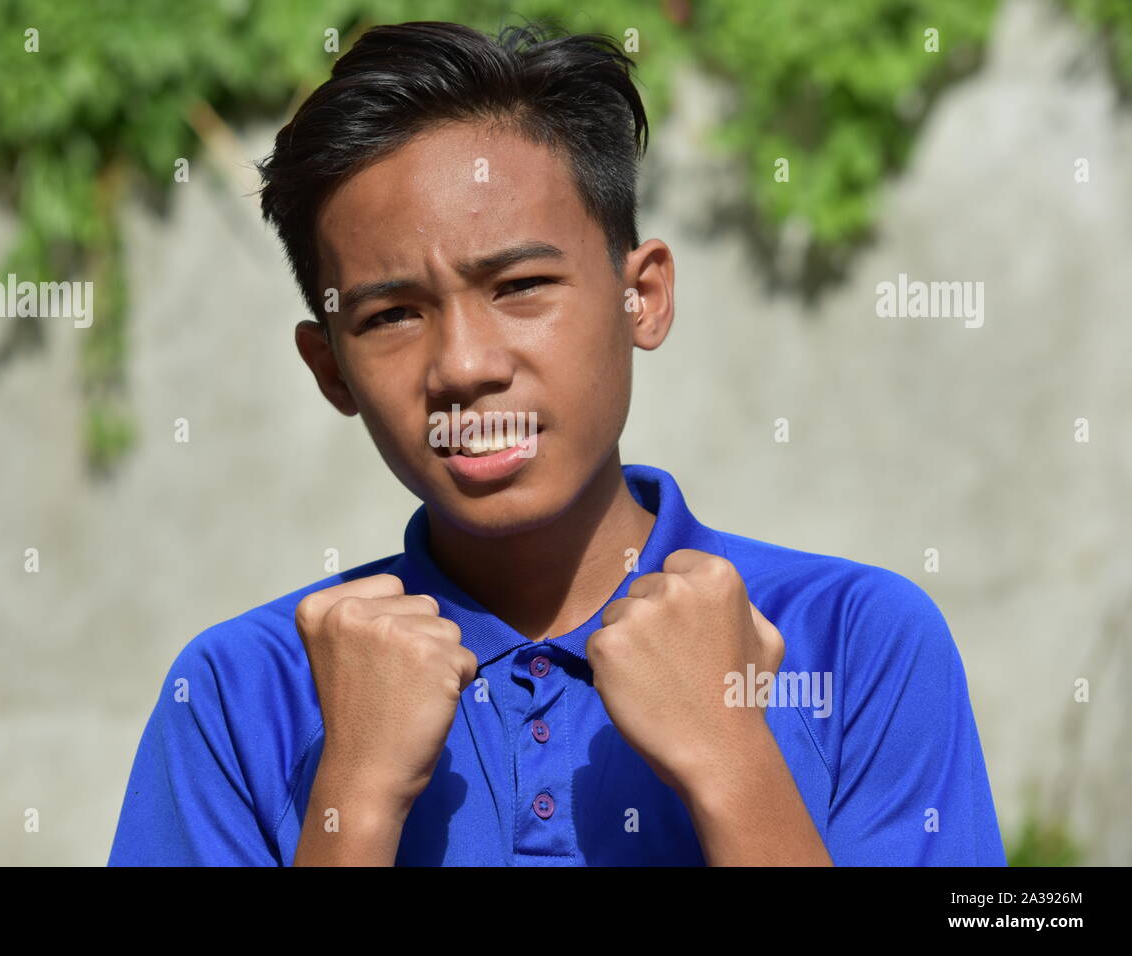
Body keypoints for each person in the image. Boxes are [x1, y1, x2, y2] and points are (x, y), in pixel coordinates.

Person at [107, 19, 1006, 866]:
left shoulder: (855, 642)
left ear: (641, 297)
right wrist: (358, 795)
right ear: (330, 368)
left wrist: (732, 759)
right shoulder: (241, 693)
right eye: (390, 315)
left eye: (521, 285)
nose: (462, 365)